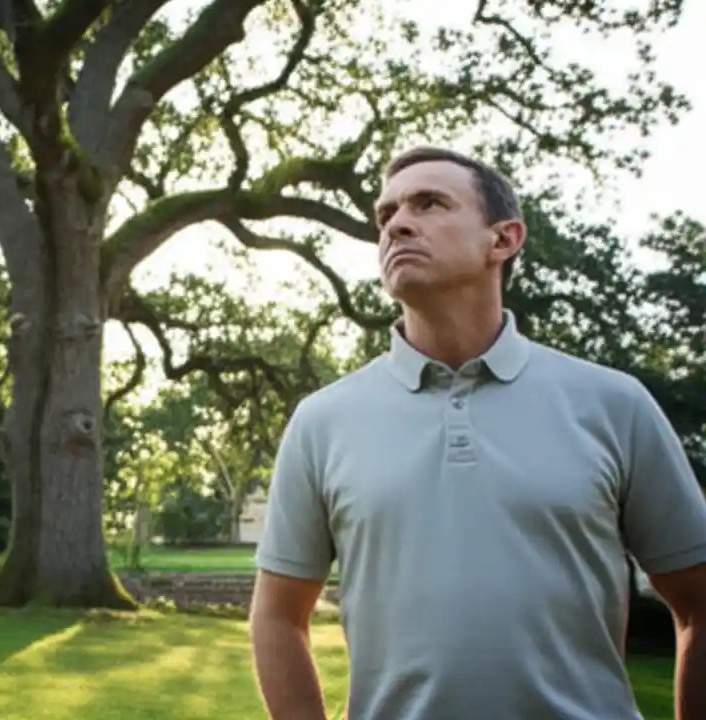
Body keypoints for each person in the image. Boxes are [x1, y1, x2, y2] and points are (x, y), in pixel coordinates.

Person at [248, 146, 706, 720]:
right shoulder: (322, 420)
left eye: (429, 203)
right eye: (385, 215)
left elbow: (698, 601)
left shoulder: (614, 403)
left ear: (504, 239)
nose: (398, 225)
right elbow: (277, 616)